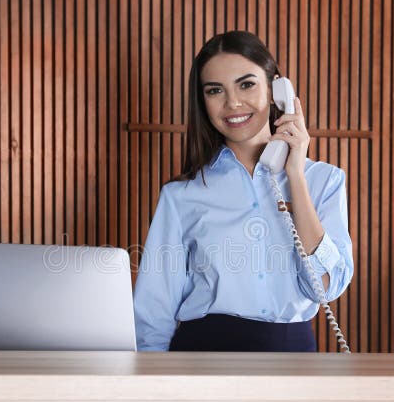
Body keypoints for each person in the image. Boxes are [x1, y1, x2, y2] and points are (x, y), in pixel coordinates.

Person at [133, 30, 353, 352]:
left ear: (276, 89)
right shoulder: (181, 195)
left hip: (293, 358)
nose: (232, 102)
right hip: (201, 357)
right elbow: (153, 311)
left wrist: (295, 176)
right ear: (203, 101)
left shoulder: (324, 181)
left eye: (246, 84)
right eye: (215, 90)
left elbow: (325, 286)